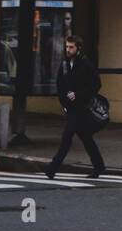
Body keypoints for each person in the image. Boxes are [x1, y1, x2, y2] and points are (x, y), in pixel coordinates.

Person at [45, 36, 106, 178]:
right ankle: (99, 166)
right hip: (72, 108)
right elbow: (60, 86)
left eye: (71, 47)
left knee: (67, 136)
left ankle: (52, 168)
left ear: (78, 48)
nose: (68, 49)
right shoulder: (64, 64)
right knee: (85, 137)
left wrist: (78, 95)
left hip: (83, 107)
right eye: (67, 46)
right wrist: (64, 105)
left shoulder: (86, 64)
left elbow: (96, 84)